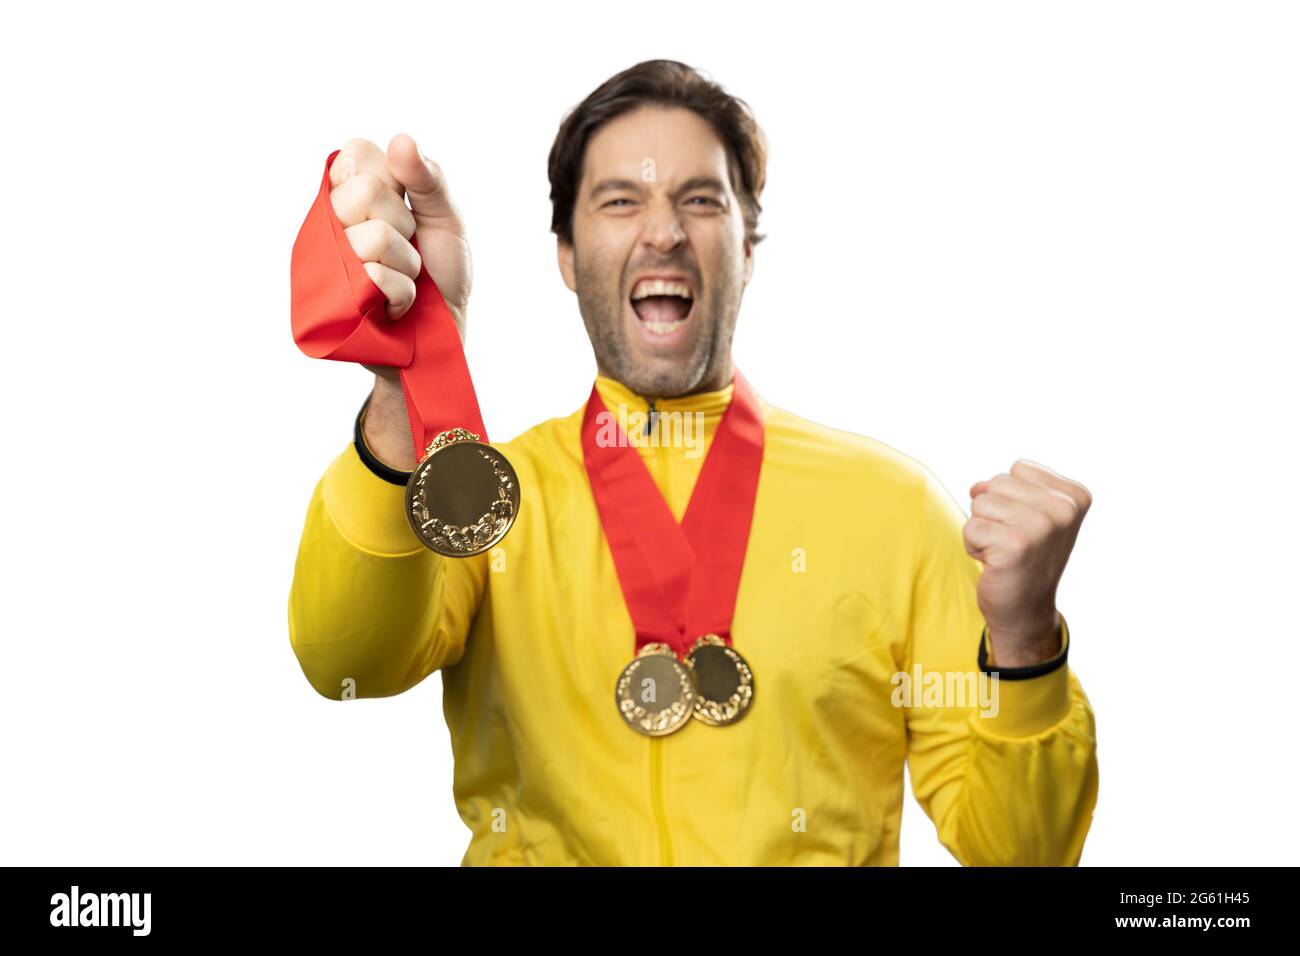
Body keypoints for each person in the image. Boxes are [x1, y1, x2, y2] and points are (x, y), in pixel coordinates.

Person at [287, 59, 1098, 866]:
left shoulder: (899, 508)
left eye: (701, 200)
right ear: (566, 256)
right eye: (619, 201)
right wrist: (412, 371)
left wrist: (1025, 638)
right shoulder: (489, 503)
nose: (664, 231)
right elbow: (345, 659)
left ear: (748, 245)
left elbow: (1022, 854)